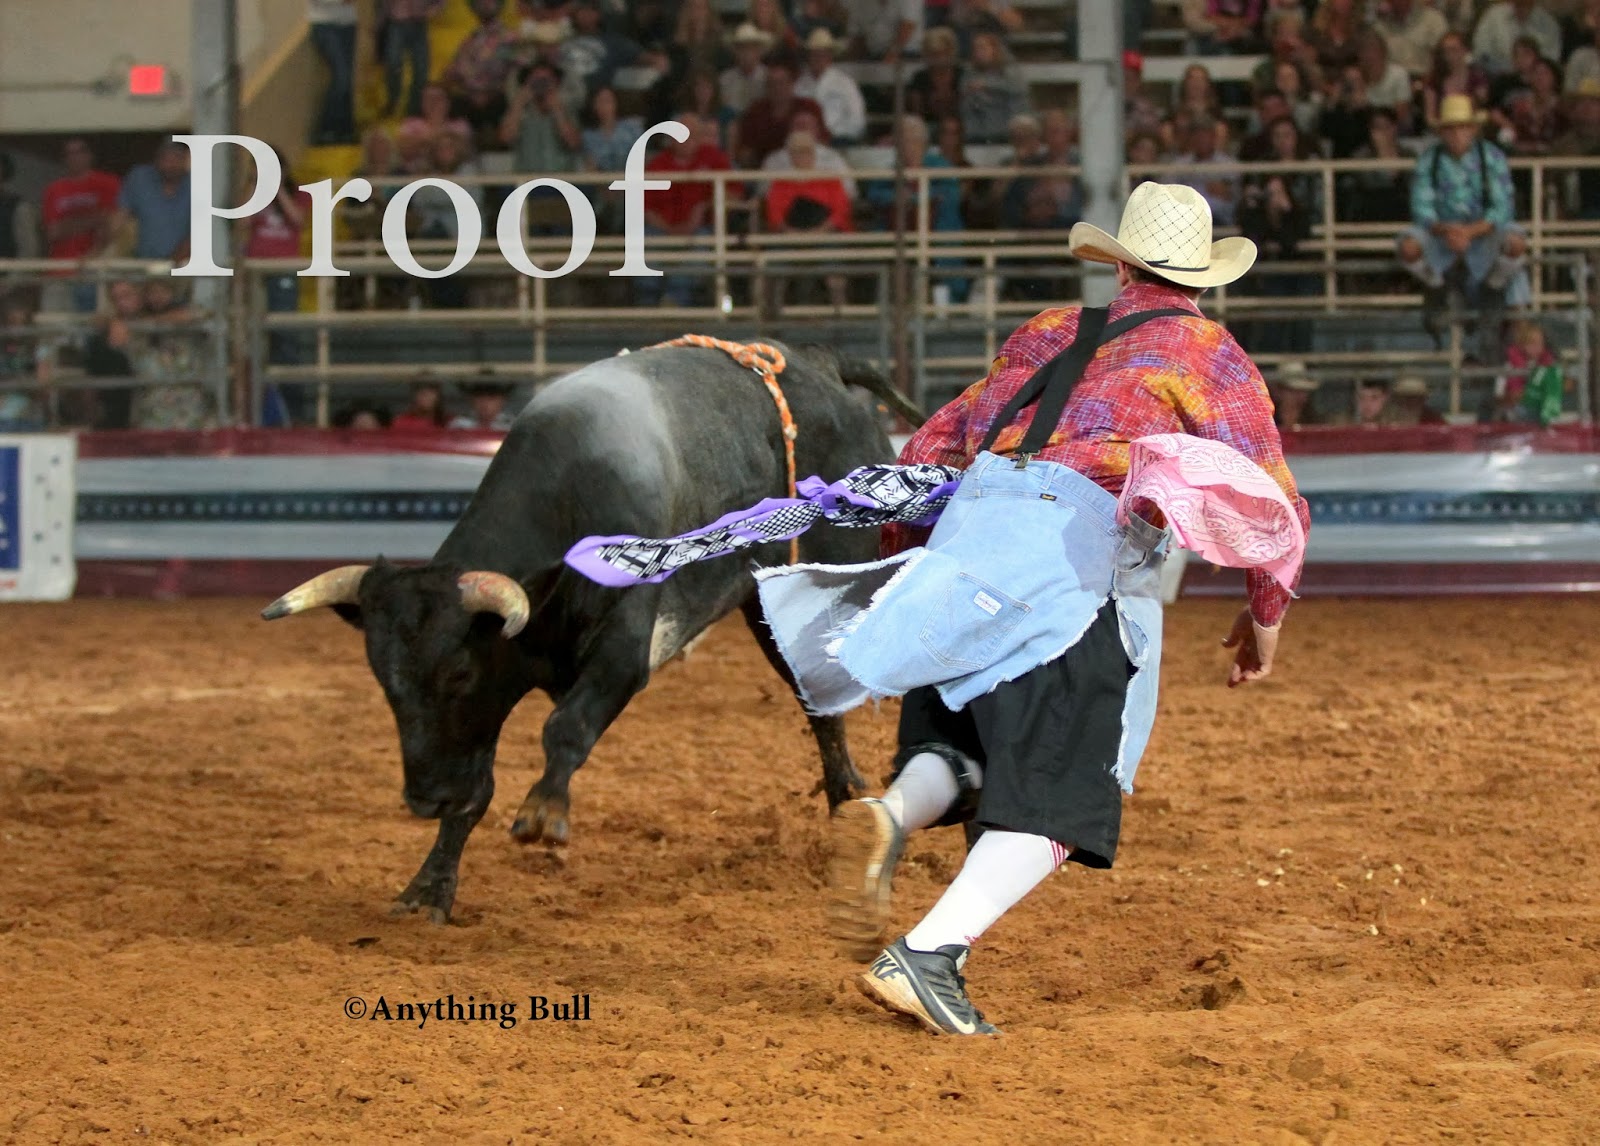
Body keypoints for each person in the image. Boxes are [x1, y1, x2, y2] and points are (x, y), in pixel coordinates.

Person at [825, 182, 1309, 1035]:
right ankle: (929, 954)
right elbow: (1269, 496)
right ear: (1204, 278)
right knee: (1072, 785)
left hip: (970, 541)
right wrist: (1264, 616)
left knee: (970, 742)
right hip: (1073, 568)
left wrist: (913, 564)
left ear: (1119, 266)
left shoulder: (1045, 331)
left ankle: (893, 812)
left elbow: (931, 446)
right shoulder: (1207, 351)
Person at [1397, 94, 1527, 356]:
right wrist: (1448, 231)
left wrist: (1469, 232)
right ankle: (1435, 284)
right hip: (1441, 233)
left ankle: (1493, 284)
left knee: (1515, 243)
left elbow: (1502, 207)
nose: (1457, 134)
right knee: (1409, 247)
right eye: (1451, 129)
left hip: (1483, 231)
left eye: (1462, 128)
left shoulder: (1492, 157)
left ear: (1473, 129)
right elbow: (1422, 208)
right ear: (1442, 132)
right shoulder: (1429, 159)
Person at [640, 112, 738, 306]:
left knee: (702, 244)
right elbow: (645, 207)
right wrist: (669, 229)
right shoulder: (657, 164)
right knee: (642, 243)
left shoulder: (714, 158)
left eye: (693, 134)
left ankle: (674, 301)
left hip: (701, 229)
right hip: (661, 229)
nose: (686, 139)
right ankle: (647, 306)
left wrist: (706, 205)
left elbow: (735, 194)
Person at [39, 139, 120, 313]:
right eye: (69, 153)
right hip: (59, 268)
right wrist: (95, 218)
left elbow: (113, 223)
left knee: (93, 322)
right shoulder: (54, 189)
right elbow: (53, 232)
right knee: (52, 323)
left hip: (95, 267)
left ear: (90, 155)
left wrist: (69, 225)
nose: (75, 157)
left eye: (80, 152)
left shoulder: (108, 183)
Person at [731, 58, 827, 169]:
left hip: (808, 166)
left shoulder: (809, 107)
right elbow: (744, 151)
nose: (777, 88)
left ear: (792, 83)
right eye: (772, 83)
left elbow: (823, 142)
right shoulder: (755, 110)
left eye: (781, 82)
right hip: (766, 168)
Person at [441, 0, 516, 139]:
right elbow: (454, 72)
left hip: (496, 99)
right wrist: (450, 75)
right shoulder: (469, 40)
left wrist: (490, 93)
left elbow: (517, 72)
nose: (484, 3)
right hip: (468, 99)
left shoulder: (511, 38)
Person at [110, 141, 191, 264]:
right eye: (165, 158)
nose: (169, 164)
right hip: (143, 261)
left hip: (185, 264)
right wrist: (100, 250)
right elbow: (119, 217)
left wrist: (171, 264)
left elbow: (202, 231)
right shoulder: (140, 178)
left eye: (176, 158)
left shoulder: (199, 183)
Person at [795, 29, 866, 144]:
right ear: (808, 56)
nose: (818, 58)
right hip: (805, 141)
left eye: (823, 54)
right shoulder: (798, 84)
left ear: (830, 56)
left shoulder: (845, 83)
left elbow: (857, 120)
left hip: (838, 140)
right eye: (815, 54)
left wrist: (832, 135)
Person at [381, 0, 445, 118]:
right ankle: (392, 101)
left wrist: (435, 10)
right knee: (393, 64)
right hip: (397, 21)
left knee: (421, 69)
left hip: (419, 21)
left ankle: (413, 109)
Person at [309, 0, 359, 144]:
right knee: (341, 77)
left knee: (347, 78)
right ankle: (326, 128)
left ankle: (345, 129)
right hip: (323, 23)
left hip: (348, 23)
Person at [1473, 0, 1563, 76]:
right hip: (1497, 80)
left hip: (1536, 84)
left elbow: (1551, 63)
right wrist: (1508, 71)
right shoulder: (1493, 17)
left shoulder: (1549, 24)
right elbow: (1481, 55)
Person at [1376, 0, 1449, 78]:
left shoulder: (1434, 21)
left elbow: (1445, 59)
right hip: (1393, 81)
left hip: (1426, 79)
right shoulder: (1381, 27)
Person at [910, 27, 964, 124]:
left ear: (950, 52)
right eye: (933, 54)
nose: (938, 58)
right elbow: (917, 112)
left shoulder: (962, 74)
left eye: (941, 53)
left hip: (960, 125)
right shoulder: (919, 77)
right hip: (927, 124)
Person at [720, 23, 774, 116]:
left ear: (759, 51)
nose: (746, 53)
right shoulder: (725, 80)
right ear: (736, 52)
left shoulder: (769, 78)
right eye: (742, 49)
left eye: (751, 48)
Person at [845, 0, 923, 62]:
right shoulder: (858, 3)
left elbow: (907, 26)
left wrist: (892, 55)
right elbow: (857, 37)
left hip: (906, 54)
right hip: (873, 56)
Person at [1268, 359, 1321, 428]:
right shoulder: (1266, 420)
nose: (1300, 397)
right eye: (1293, 391)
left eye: (1303, 391)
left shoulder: (1314, 420)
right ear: (1277, 391)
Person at [450, 379, 517, 430]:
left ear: (502, 401)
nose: (485, 403)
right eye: (479, 398)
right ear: (471, 400)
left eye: (491, 398)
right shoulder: (460, 424)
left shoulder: (513, 425)